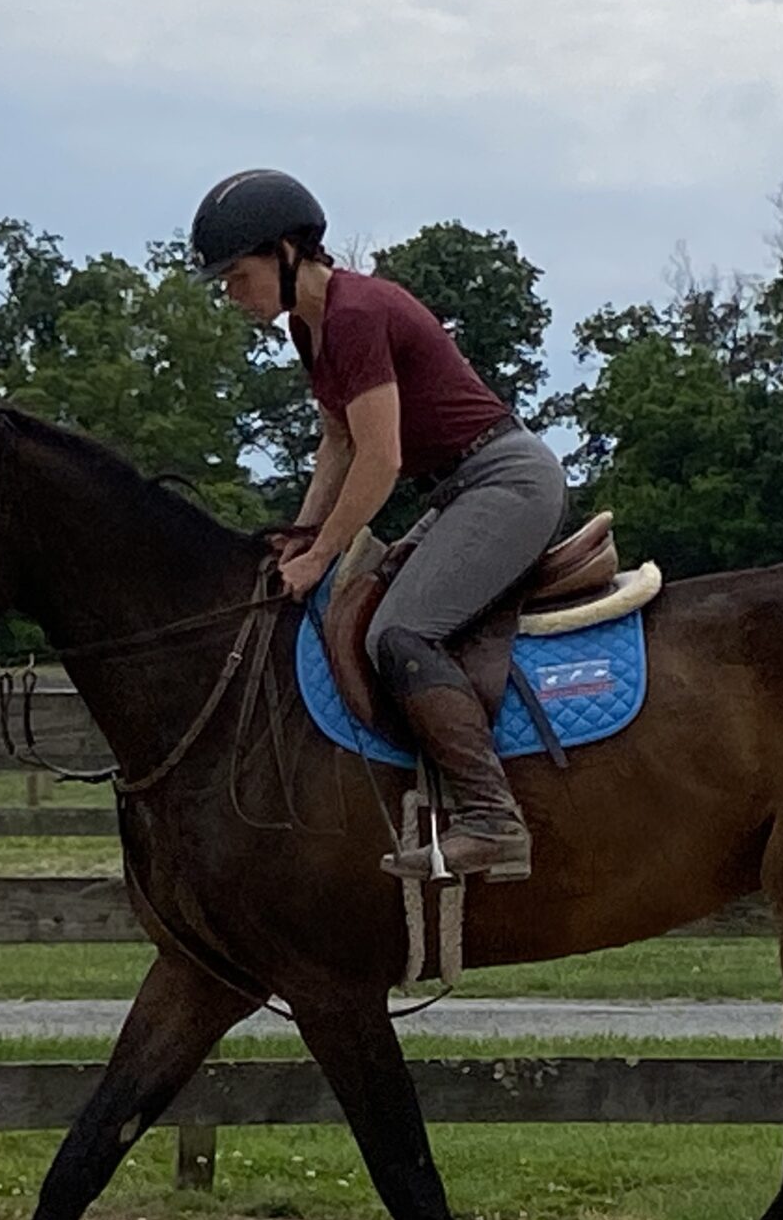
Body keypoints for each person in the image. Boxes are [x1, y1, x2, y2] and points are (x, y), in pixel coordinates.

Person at [190, 169, 566, 883]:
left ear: (287, 251)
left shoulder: (359, 314)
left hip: (505, 482)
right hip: (460, 488)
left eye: (237, 275)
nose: (231, 294)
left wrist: (325, 550)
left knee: (401, 630)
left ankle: (493, 820)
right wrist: (300, 540)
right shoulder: (312, 326)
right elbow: (337, 441)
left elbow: (381, 457)